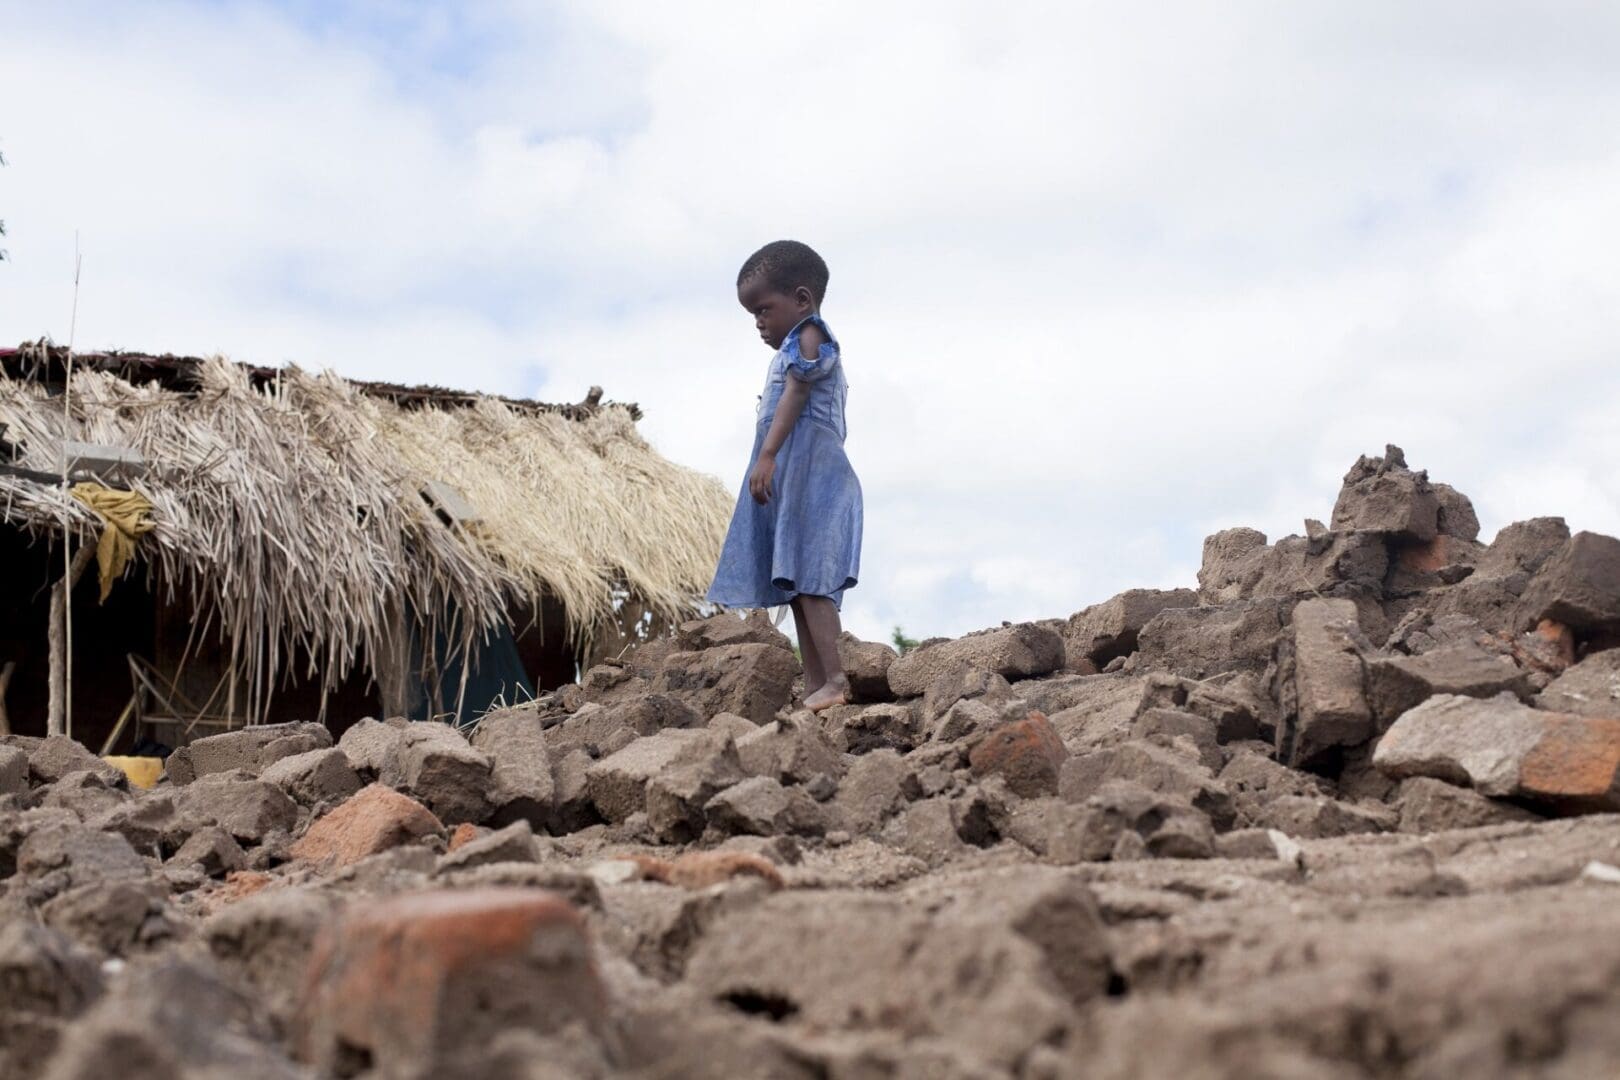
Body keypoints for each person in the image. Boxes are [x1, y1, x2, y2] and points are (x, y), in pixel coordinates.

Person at [707, 240, 863, 711]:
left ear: (801, 299)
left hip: (810, 475)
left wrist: (768, 455)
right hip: (792, 478)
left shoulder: (811, 335)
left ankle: (837, 677)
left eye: (763, 309)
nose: (758, 321)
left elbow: (796, 395)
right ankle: (818, 683)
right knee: (792, 582)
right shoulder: (787, 349)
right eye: (751, 313)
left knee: (812, 577)